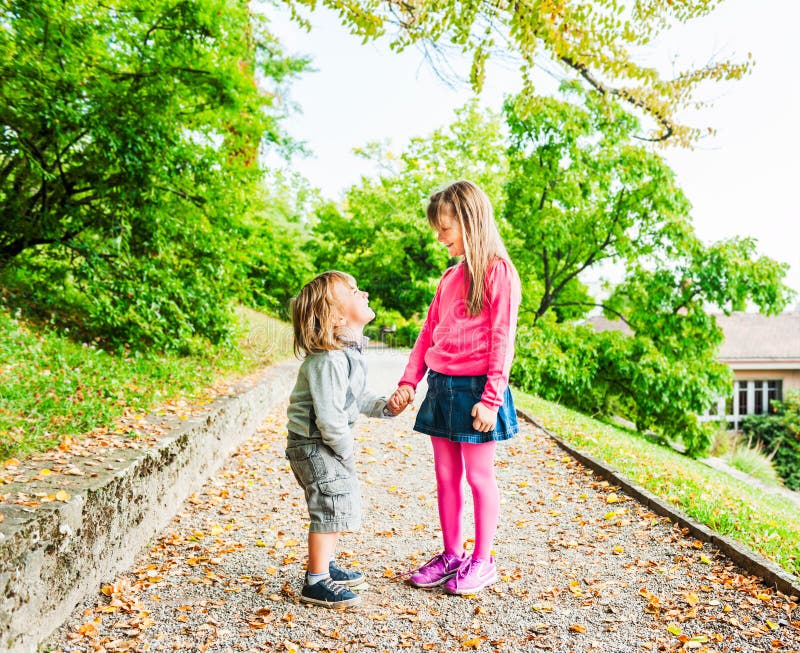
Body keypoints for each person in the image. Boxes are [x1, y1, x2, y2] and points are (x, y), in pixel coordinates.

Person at [388, 180, 521, 595]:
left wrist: (491, 400)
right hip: (441, 387)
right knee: (446, 476)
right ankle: (452, 554)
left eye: (444, 228)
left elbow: (502, 339)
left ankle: (483, 560)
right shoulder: (448, 278)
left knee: (479, 478)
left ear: (468, 221)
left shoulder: (498, 272)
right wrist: (409, 381)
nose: (439, 236)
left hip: (477, 392)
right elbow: (428, 334)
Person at [286, 271, 403, 608]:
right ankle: (316, 580)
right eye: (354, 291)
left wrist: (384, 407)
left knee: (338, 500)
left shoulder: (347, 353)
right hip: (312, 443)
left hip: (323, 441)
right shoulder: (327, 361)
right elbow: (329, 418)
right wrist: (346, 452)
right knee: (330, 502)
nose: (363, 292)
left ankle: (325, 566)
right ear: (335, 315)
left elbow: (357, 397)